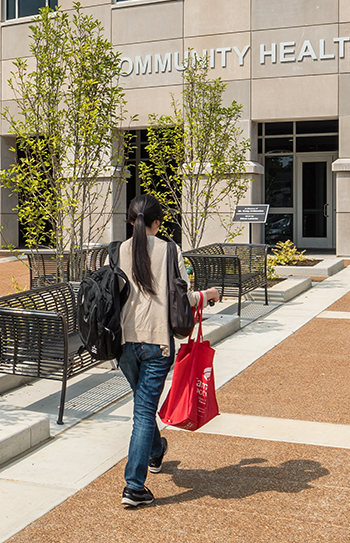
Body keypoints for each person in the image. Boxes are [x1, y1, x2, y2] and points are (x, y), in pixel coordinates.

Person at [114, 194, 223, 510]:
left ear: (130, 222)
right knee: (144, 411)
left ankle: (156, 449)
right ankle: (134, 486)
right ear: (157, 223)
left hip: (124, 345)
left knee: (142, 406)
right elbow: (183, 297)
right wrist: (208, 295)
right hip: (157, 344)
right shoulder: (169, 249)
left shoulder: (118, 251)